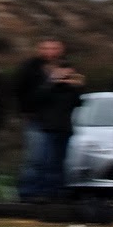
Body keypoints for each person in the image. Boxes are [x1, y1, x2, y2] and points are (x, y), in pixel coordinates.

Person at [13, 38, 67, 203]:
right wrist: (51, 81)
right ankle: (28, 192)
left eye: (54, 48)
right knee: (36, 158)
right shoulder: (30, 68)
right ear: (39, 49)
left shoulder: (67, 67)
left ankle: (51, 193)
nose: (50, 52)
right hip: (36, 118)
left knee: (54, 160)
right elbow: (21, 93)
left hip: (59, 120)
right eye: (46, 48)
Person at [32, 60, 85, 203]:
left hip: (64, 129)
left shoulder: (71, 89)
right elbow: (38, 98)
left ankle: (59, 192)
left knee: (59, 163)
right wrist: (52, 82)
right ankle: (44, 192)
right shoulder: (49, 87)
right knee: (46, 161)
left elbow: (78, 102)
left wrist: (75, 85)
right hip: (48, 129)